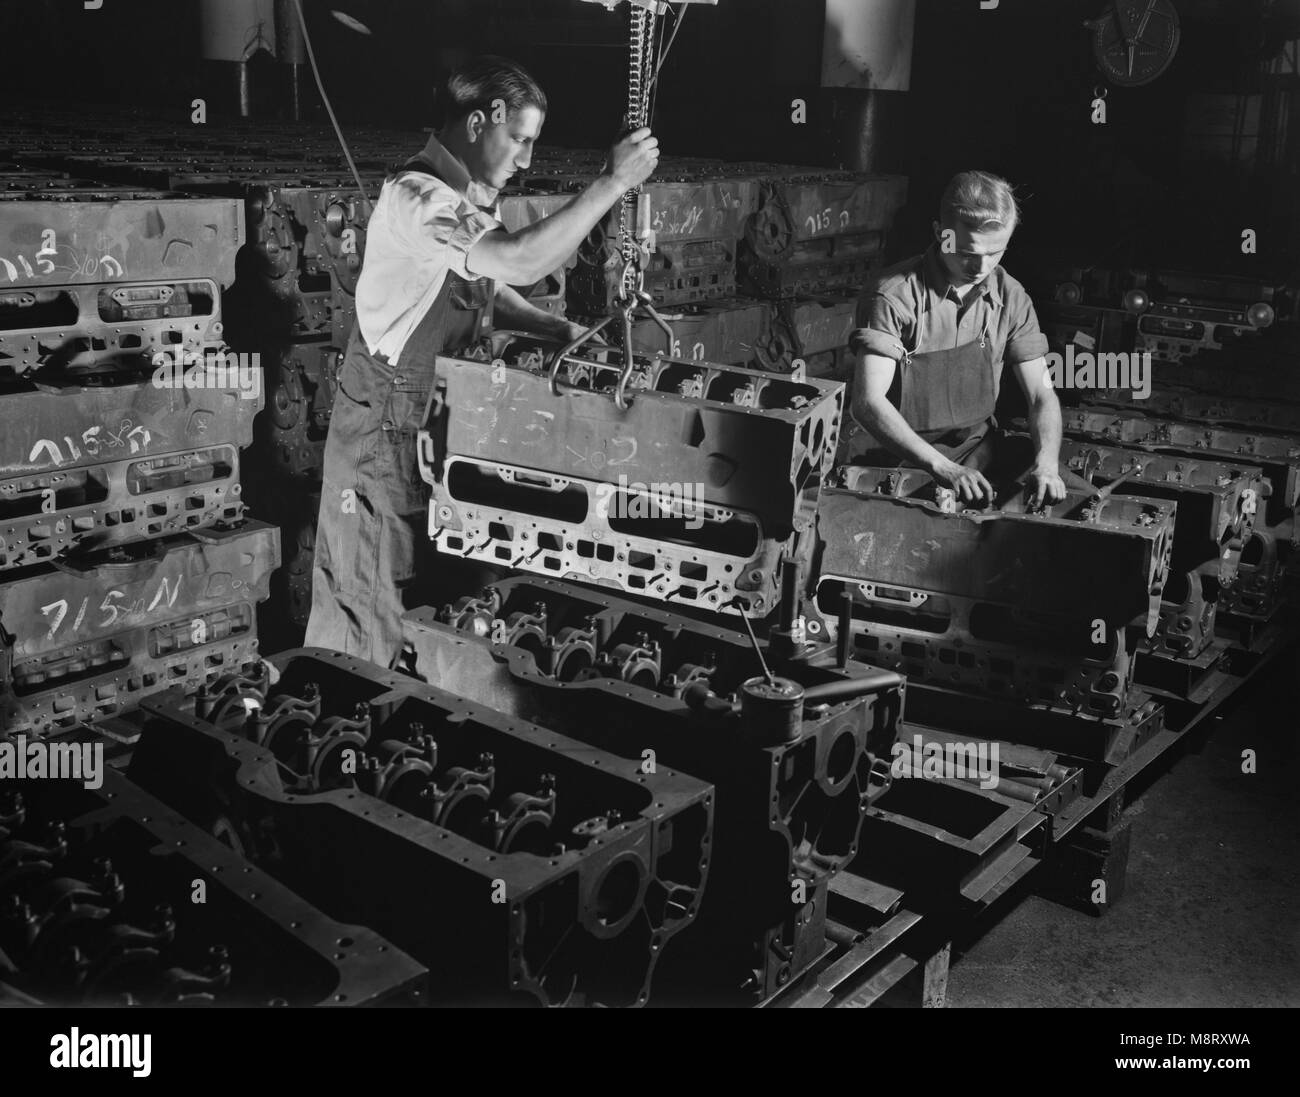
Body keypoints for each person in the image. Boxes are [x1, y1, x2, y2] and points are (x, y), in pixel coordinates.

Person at [306, 54, 659, 667]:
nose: (525, 160)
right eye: (518, 140)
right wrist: (611, 184)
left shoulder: (464, 198)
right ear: (477, 124)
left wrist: (558, 327)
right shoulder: (417, 199)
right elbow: (518, 260)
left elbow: (486, 285)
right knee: (372, 616)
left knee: (443, 618)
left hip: (440, 427)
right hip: (384, 439)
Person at [844, 171, 1065, 507]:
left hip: (976, 450)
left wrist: (1047, 464)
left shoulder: (1011, 295)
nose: (981, 266)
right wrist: (943, 468)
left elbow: (1040, 394)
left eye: (995, 253)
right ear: (940, 233)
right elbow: (867, 403)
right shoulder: (893, 296)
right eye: (967, 252)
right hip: (896, 457)